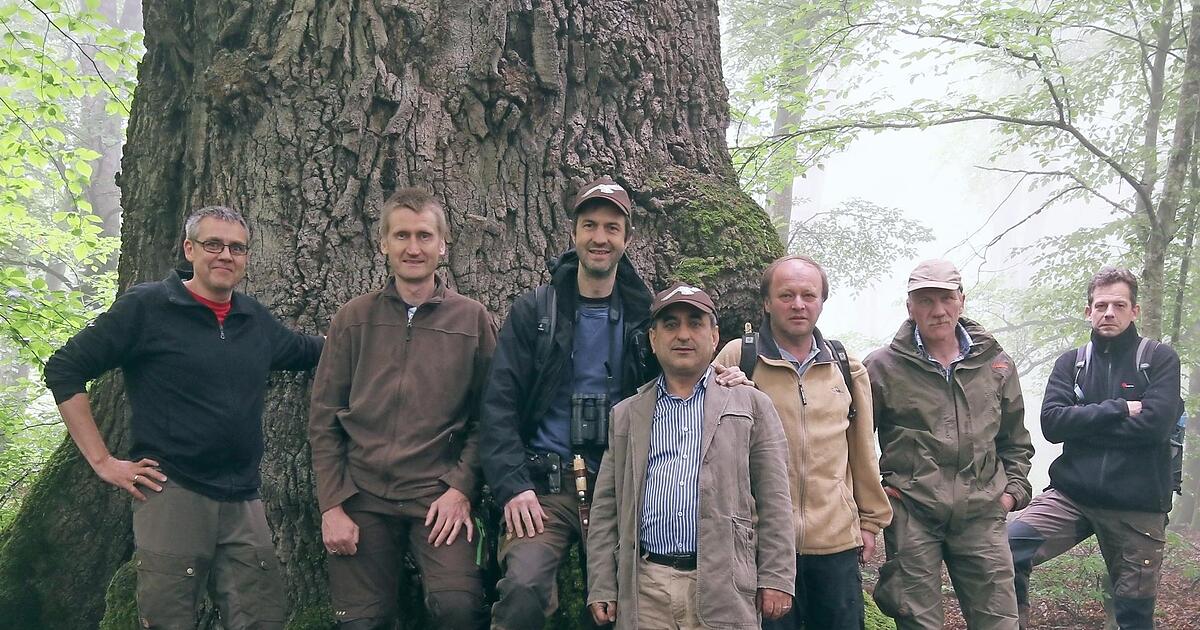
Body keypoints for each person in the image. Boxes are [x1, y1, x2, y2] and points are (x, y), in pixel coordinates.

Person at [479, 177, 745, 629]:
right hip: (544, 486)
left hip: (626, 484)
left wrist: (724, 375)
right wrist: (512, 486)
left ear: (628, 238)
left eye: (611, 228)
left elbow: (682, 372)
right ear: (573, 233)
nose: (599, 238)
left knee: (619, 603)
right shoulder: (537, 312)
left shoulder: (646, 316)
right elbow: (498, 405)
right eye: (589, 226)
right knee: (523, 589)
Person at [43, 205, 323, 629]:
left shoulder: (252, 320)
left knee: (262, 618)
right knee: (168, 619)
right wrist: (103, 462)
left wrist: (369, 332)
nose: (225, 255)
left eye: (237, 248)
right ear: (190, 249)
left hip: (243, 499)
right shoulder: (148, 307)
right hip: (172, 491)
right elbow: (65, 368)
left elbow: (309, 350)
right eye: (213, 244)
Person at [308, 188, 497, 629]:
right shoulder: (353, 319)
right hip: (362, 496)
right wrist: (332, 506)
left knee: (458, 609)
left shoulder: (472, 320)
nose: (414, 248)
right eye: (402, 236)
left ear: (443, 244)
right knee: (360, 623)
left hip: (437, 495)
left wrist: (461, 489)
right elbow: (324, 420)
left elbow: (490, 419)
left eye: (425, 236)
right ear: (383, 244)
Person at [586, 283, 796, 629]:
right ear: (653, 339)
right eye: (671, 325)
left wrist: (776, 576)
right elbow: (606, 507)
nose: (683, 334)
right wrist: (602, 584)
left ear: (714, 336)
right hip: (646, 588)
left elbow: (776, 498)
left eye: (695, 323)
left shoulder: (751, 404)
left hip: (725, 584)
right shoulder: (626, 414)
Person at [713, 254, 892, 630]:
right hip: (763, 544)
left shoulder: (846, 367)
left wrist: (870, 523)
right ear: (766, 302)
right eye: (786, 295)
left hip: (835, 543)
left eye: (808, 295)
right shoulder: (739, 358)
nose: (798, 304)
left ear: (822, 302)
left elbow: (862, 452)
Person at [1008, 267, 1183, 630]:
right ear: (1088, 311)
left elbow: (1154, 428)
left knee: (1134, 615)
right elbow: (1052, 425)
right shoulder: (1071, 364)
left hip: (1137, 507)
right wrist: (1119, 409)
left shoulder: (1159, 359)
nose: (1109, 313)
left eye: (1119, 305)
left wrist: (1083, 422)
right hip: (1072, 497)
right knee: (1003, 551)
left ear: (1134, 311)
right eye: (1101, 305)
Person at [865, 259, 1033, 630]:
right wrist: (876, 501)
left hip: (982, 513)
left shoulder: (996, 364)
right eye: (925, 300)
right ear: (910, 307)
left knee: (999, 623)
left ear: (961, 300)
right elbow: (856, 443)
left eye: (946, 298)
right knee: (918, 623)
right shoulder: (882, 367)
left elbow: (1015, 440)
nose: (938, 310)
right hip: (912, 514)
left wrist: (1011, 495)